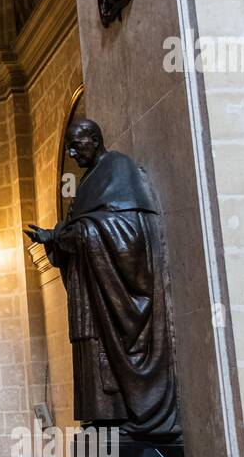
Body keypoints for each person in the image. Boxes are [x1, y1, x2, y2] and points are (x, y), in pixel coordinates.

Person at [23, 118, 180, 438]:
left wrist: (74, 234)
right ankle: (103, 416)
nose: (72, 151)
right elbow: (81, 226)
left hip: (114, 289)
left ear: (93, 140)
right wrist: (55, 238)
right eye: (69, 145)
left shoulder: (118, 169)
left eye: (76, 145)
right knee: (89, 346)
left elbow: (128, 230)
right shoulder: (88, 182)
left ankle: (124, 412)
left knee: (104, 347)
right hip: (91, 289)